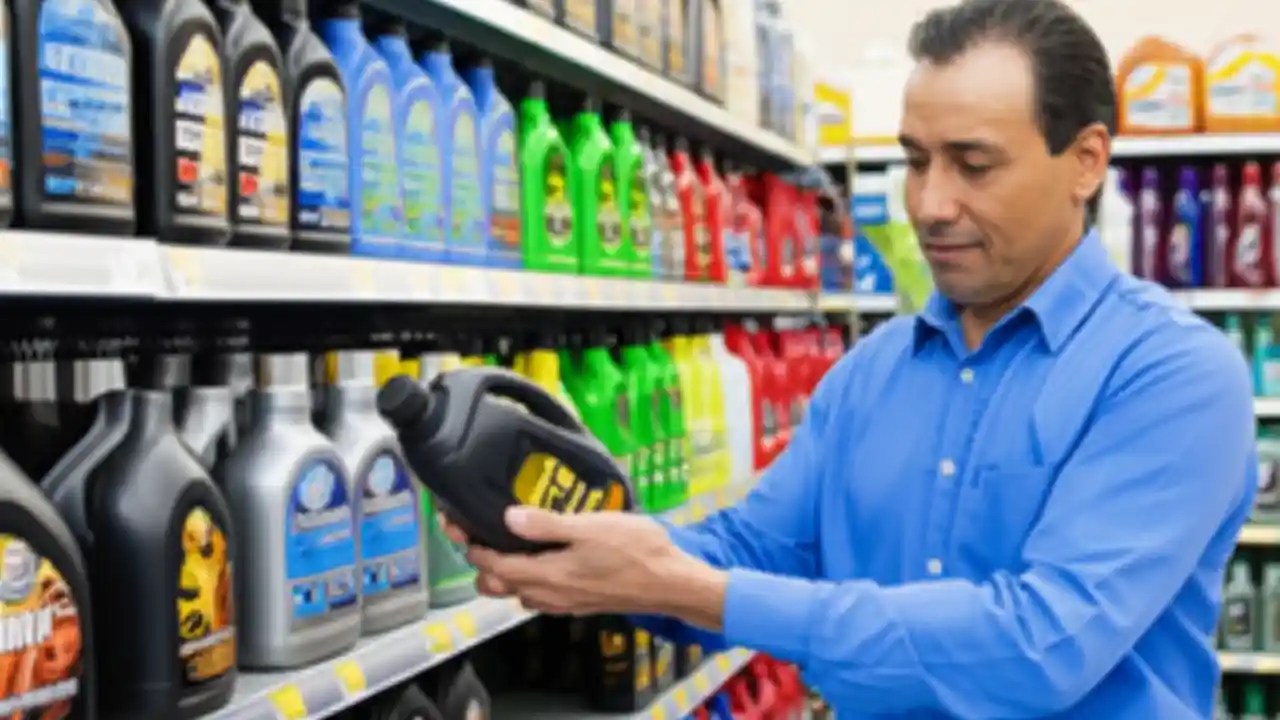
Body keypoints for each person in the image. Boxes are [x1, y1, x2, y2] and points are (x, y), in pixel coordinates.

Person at [443, 0, 1257, 716]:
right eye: (915, 160)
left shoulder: (1172, 377)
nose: (931, 205)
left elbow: (1040, 644)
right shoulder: (869, 376)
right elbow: (753, 550)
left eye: (973, 165)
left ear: (1084, 161)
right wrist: (581, 546)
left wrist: (689, 587)